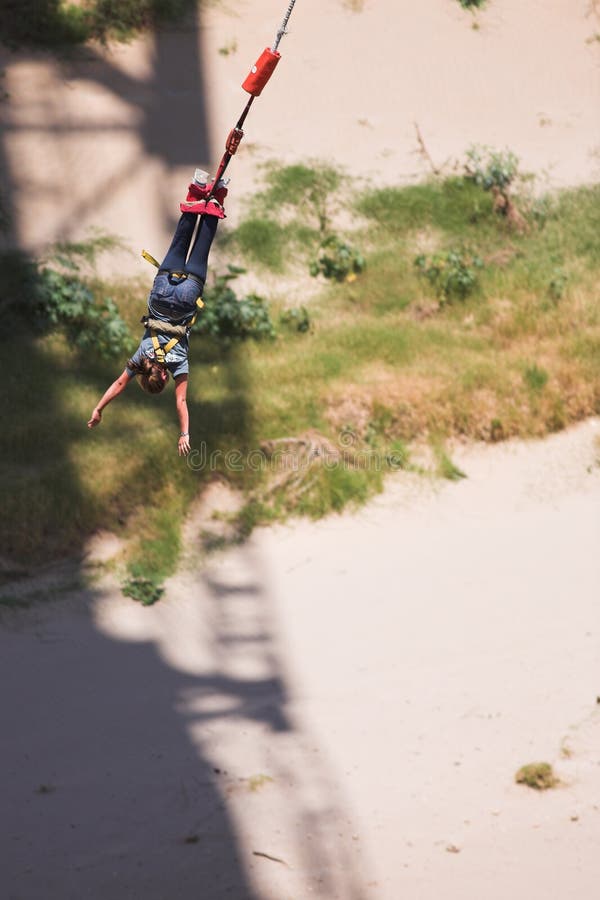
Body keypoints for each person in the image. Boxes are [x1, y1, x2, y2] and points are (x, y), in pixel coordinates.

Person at [87, 170, 228, 456]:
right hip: (163, 293)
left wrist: (184, 433)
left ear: (163, 379)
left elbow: (181, 404)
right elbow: (117, 384)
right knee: (180, 240)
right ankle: (198, 188)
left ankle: (219, 195)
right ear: (146, 375)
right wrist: (98, 409)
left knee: (202, 248)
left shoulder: (178, 368)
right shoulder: (141, 358)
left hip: (188, 297)